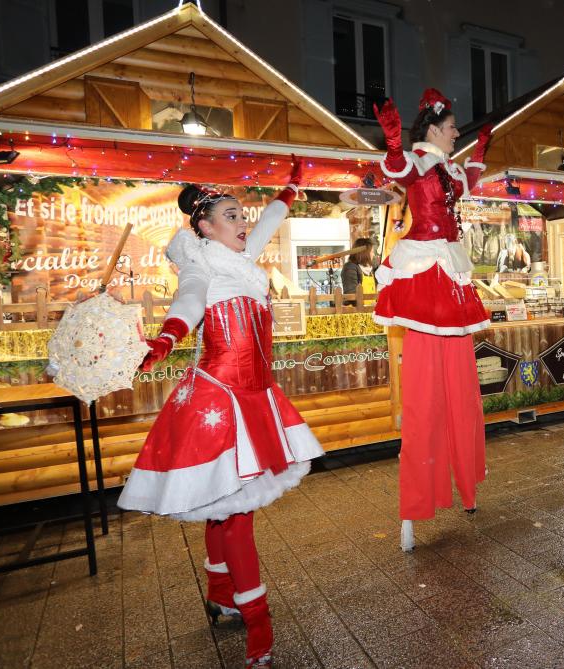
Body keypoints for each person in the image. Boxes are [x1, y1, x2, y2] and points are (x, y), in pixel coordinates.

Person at [117, 160, 323, 668]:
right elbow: (188, 304)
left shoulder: (240, 259)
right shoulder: (201, 265)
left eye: (242, 214)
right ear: (206, 227)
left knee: (223, 505)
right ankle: (258, 628)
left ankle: (220, 594)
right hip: (222, 400)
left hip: (255, 395)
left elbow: (270, 220)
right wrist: (166, 338)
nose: (243, 222)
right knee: (235, 516)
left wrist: (292, 187)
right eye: (232, 216)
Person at [373, 89, 493, 551]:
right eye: (452, 128)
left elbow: (468, 184)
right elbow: (397, 169)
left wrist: (481, 151)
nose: (456, 132)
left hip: (450, 272)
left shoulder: (449, 169)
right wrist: (391, 137)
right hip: (425, 269)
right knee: (425, 396)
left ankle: (465, 483)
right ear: (432, 130)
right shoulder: (418, 164)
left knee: (462, 390)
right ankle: (416, 503)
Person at [340, 237, 376, 305]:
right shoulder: (350, 267)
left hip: (370, 311)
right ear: (364, 253)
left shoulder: (370, 270)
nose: (373, 255)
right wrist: (365, 306)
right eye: (372, 252)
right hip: (355, 312)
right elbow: (351, 294)